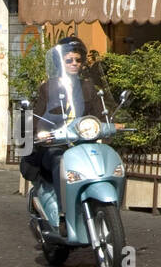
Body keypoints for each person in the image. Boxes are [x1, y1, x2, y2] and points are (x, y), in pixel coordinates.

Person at [19, 37, 104, 234]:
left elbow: (100, 114)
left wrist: (111, 124)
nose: (74, 63)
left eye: (77, 60)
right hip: (55, 145)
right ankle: (64, 214)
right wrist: (40, 133)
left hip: (82, 143)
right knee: (60, 162)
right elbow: (37, 116)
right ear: (60, 63)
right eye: (69, 60)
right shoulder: (48, 87)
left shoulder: (88, 87)